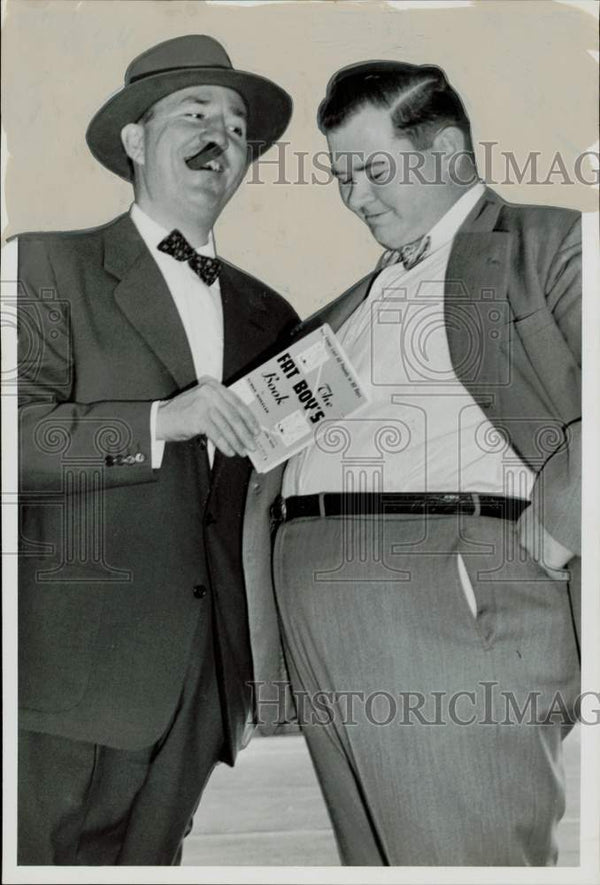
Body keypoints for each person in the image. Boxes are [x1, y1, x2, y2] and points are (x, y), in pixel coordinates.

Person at [246, 60, 581, 865]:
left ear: (447, 148)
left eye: (374, 169)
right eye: (340, 176)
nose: (356, 197)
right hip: (322, 605)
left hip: (445, 591)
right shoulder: (354, 302)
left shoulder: (548, 239)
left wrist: (573, 512)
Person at [13, 34, 297, 865]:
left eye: (239, 126)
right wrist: (157, 423)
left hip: (203, 695)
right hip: (64, 685)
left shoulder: (269, 314)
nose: (222, 135)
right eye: (195, 112)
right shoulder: (42, 266)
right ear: (135, 141)